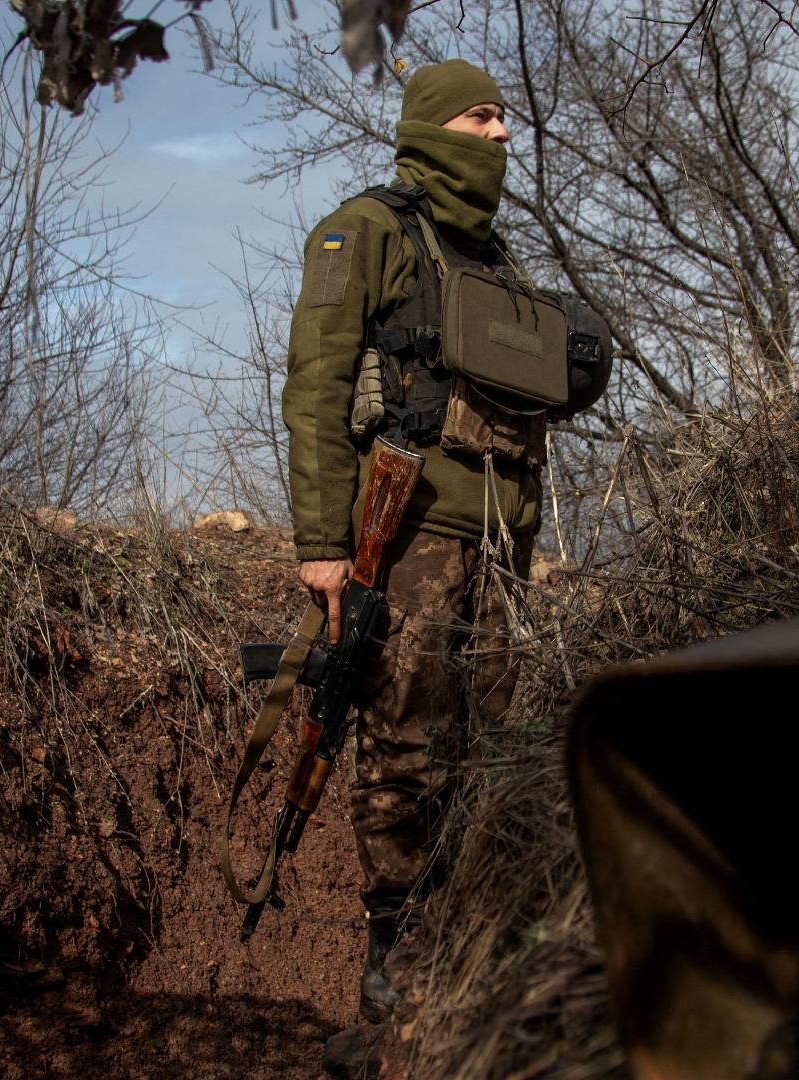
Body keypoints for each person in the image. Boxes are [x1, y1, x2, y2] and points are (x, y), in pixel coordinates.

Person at [280, 58, 612, 1025]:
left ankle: (482, 940)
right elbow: (314, 387)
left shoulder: (497, 262)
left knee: (497, 747)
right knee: (406, 740)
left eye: (506, 117)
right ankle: (396, 952)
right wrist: (319, 541)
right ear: (434, 127)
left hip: (505, 540)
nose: (504, 134)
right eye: (483, 117)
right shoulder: (364, 230)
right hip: (409, 529)